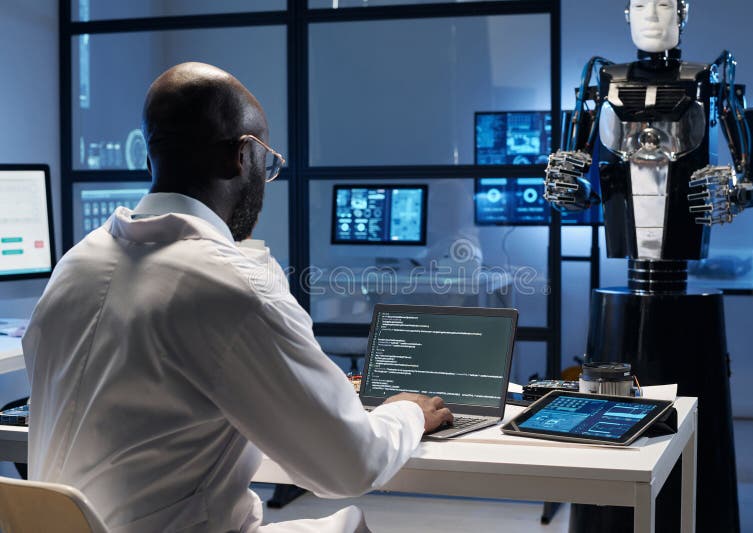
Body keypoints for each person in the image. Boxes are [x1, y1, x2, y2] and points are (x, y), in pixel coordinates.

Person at [22, 62, 452, 533]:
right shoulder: (233, 286)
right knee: (350, 522)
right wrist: (408, 411)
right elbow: (351, 465)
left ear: (151, 161)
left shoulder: (77, 263)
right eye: (267, 160)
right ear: (242, 156)